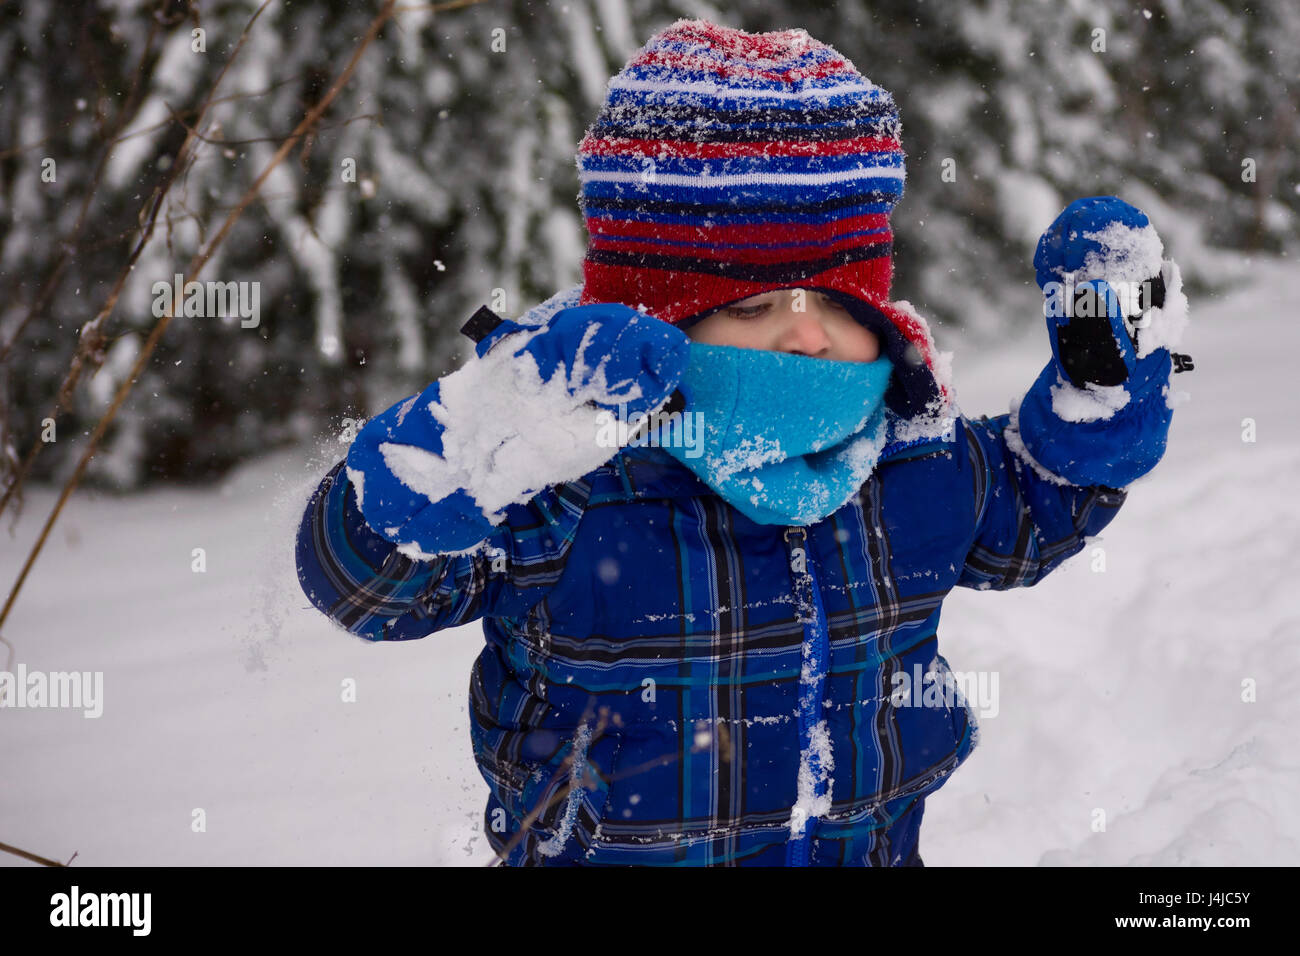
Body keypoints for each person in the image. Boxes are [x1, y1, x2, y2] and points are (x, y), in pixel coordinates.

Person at [295, 18, 1190, 866]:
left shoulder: (911, 456)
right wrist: (472, 441)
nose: (808, 337)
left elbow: (1029, 511)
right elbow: (370, 586)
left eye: (840, 301)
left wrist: (1095, 408)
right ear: (656, 317)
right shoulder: (566, 478)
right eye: (756, 307)